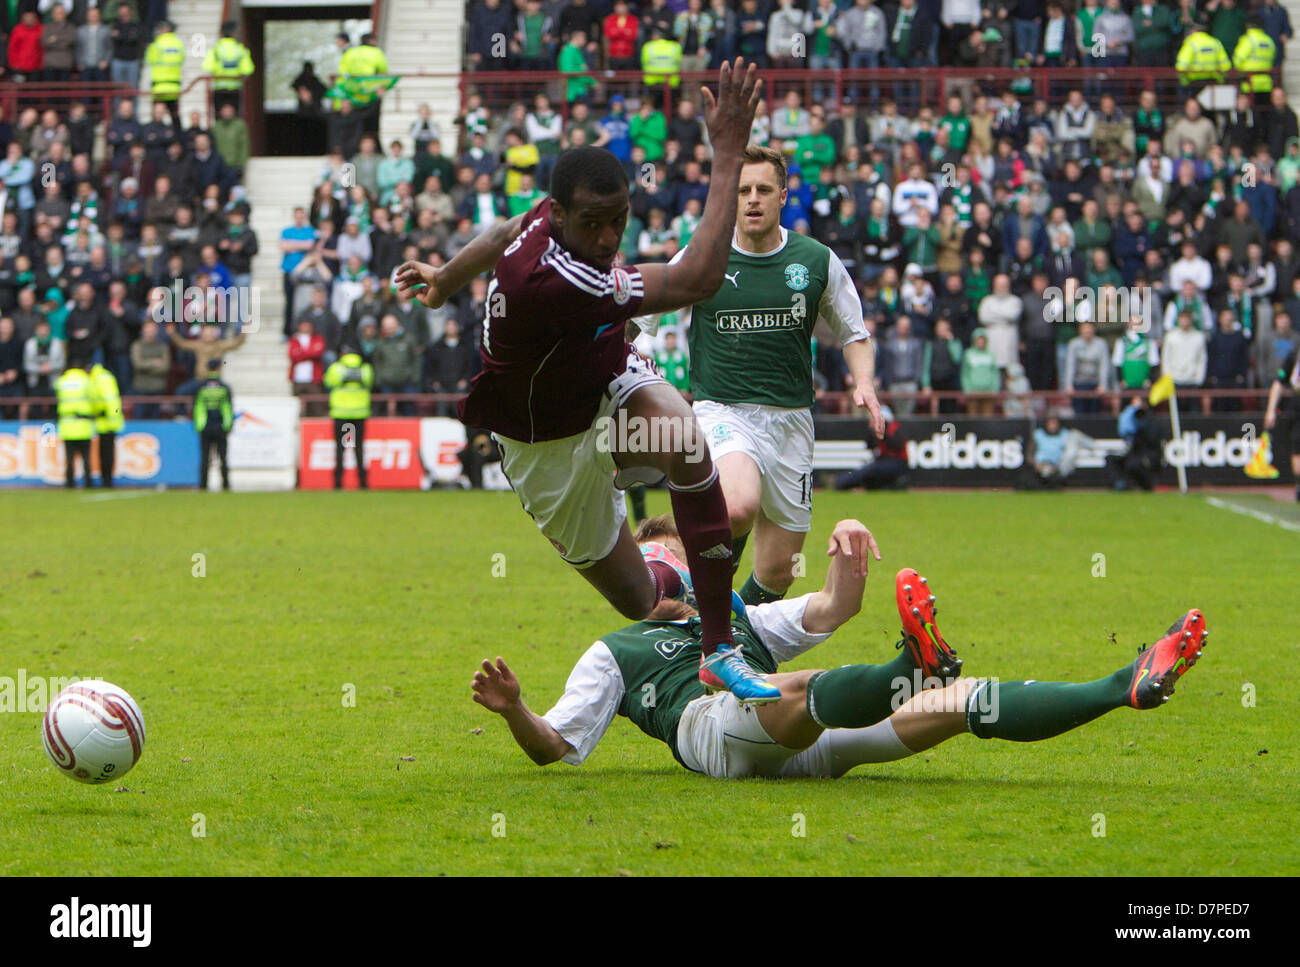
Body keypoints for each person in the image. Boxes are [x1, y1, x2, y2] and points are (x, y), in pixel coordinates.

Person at [395, 60, 777, 703]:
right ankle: (671, 575)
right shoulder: (558, 281)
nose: (606, 238)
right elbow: (698, 282)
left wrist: (444, 279)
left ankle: (719, 648)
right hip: (544, 446)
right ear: (560, 213)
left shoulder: (544, 228)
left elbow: (500, 232)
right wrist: (728, 155)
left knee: (684, 442)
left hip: (604, 384)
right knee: (641, 600)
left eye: (617, 220)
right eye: (592, 223)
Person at [471, 516, 1209, 780]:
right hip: (711, 735)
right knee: (790, 688)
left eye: (691, 564)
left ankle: (1123, 684)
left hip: (803, 742)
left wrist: (846, 546)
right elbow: (558, 746)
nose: (684, 576)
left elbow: (832, 606)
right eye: (664, 563)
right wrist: (513, 711)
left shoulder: (736, 622)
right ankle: (906, 667)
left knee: (962, 701)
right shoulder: (616, 648)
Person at [636, 144, 882, 608]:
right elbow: (643, 311)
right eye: (743, 190)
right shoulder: (703, 255)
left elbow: (855, 333)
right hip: (722, 409)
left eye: (763, 190)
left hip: (791, 420)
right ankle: (697, 610)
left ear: (783, 196)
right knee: (737, 506)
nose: (752, 199)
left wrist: (863, 382)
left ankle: (732, 640)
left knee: (779, 572)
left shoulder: (815, 260)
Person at [323, 344, 373, 490]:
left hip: (341, 414)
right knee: (358, 448)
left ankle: (338, 482)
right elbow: (369, 382)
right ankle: (362, 482)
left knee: (340, 447)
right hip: (359, 414)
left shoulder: (337, 368)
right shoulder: (365, 368)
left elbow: (328, 382)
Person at [1263, 338, 1300, 501]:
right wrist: (1270, 411)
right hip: (1298, 405)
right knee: (1297, 448)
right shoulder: (1293, 356)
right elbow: (1279, 383)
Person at [193, 358, 234, 491]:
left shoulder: (201, 386)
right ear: (219, 368)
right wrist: (228, 425)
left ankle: (203, 485)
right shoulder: (224, 387)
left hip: (205, 426)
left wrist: (199, 425)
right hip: (220, 426)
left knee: (205, 458)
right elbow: (227, 408)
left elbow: (198, 407)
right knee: (223, 457)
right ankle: (226, 485)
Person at [55, 354, 95, 489]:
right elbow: (93, 398)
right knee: (86, 456)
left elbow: (58, 398)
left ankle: (69, 482)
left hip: (67, 424)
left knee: (69, 457)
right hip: (83, 423)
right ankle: (88, 482)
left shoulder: (62, 381)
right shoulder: (87, 380)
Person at [203, 21, 255, 113]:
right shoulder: (240, 49)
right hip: (235, 89)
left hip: (219, 89)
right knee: (235, 116)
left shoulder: (216, 49)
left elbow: (207, 66)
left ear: (221, 34)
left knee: (219, 116)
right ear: (233, 34)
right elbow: (248, 69)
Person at [89, 360, 124, 488]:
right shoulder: (103, 377)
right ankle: (106, 479)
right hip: (107, 421)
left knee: (106, 453)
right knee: (105, 453)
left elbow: (111, 402)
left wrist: (108, 415)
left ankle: (107, 480)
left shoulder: (100, 379)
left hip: (107, 422)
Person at [145, 20, 185, 131]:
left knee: (156, 117)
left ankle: (155, 137)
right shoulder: (179, 44)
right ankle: (178, 140)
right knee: (175, 116)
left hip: (159, 87)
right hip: (174, 88)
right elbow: (182, 59)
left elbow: (150, 59)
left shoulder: (157, 44)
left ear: (164, 30)